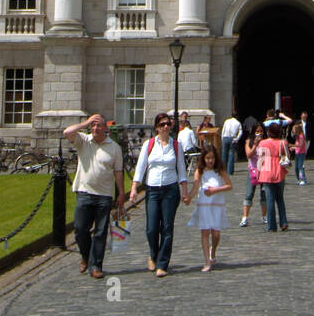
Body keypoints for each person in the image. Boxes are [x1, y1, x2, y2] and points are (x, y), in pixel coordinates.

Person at [62, 113, 125, 278]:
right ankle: (86, 256)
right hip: (84, 191)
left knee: (100, 232)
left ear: (106, 128)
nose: (96, 128)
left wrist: (121, 194)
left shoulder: (115, 147)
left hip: (104, 195)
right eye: (93, 126)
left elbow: (118, 173)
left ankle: (96, 265)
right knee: (80, 229)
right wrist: (86, 123)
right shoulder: (84, 141)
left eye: (99, 125)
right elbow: (67, 132)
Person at [129, 112, 189, 277]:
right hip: (152, 189)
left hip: (170, 189)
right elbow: (140, 167)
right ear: (156, 127)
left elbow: (182, 170)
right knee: (151, 229)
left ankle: (163, 263)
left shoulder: (176, 145)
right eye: (162, 124)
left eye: (168, 124)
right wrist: (134, 188)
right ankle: (154, 255)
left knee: (167, 227)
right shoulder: (149, 144)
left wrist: (184, 191)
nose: (166, 127)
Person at [186, 144, 232, 271]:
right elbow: (195, 187)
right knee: (205, 231)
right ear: (203, 158)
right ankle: (207, 261)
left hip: (217, 204)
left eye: (212, 158)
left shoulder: (219, 170)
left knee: (216, 233)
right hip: (204, 204)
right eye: (207, 158)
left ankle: (213, 251)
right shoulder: (200, 170)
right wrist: (189, 197)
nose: (210, 161)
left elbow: (229, 185)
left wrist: (216, 190)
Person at [253, 122, 290, 231]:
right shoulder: (283, 143)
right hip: (279, 170)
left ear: (269, 132)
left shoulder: (263, 143)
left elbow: (260, 159)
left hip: (266, 171)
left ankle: (271, 226)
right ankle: (283, 222)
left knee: (270, 200)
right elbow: (286, 156)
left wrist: (258, 172)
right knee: (280, 198)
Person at [239, 124, 267, 226]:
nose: (259, 133)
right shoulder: (248, 141)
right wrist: (255, 145)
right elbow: (248, 155)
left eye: (261, 131)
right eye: (257, 131)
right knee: (249, 194)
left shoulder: (265, 142)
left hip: (264, 170)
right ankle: (245, 217)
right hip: (253, 170)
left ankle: (264, 216)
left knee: (264, 195)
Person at [290, 120, 308, 185]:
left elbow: (300, 145)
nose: (293, 131)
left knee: (300, 167)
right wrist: (294, 148)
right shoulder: (297, 136)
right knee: (296, 167)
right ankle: (298, 179)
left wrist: (292, 146)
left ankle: (303, 179)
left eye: (294, 130)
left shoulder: (301, 136)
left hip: (301, 153)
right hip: (297, 153)